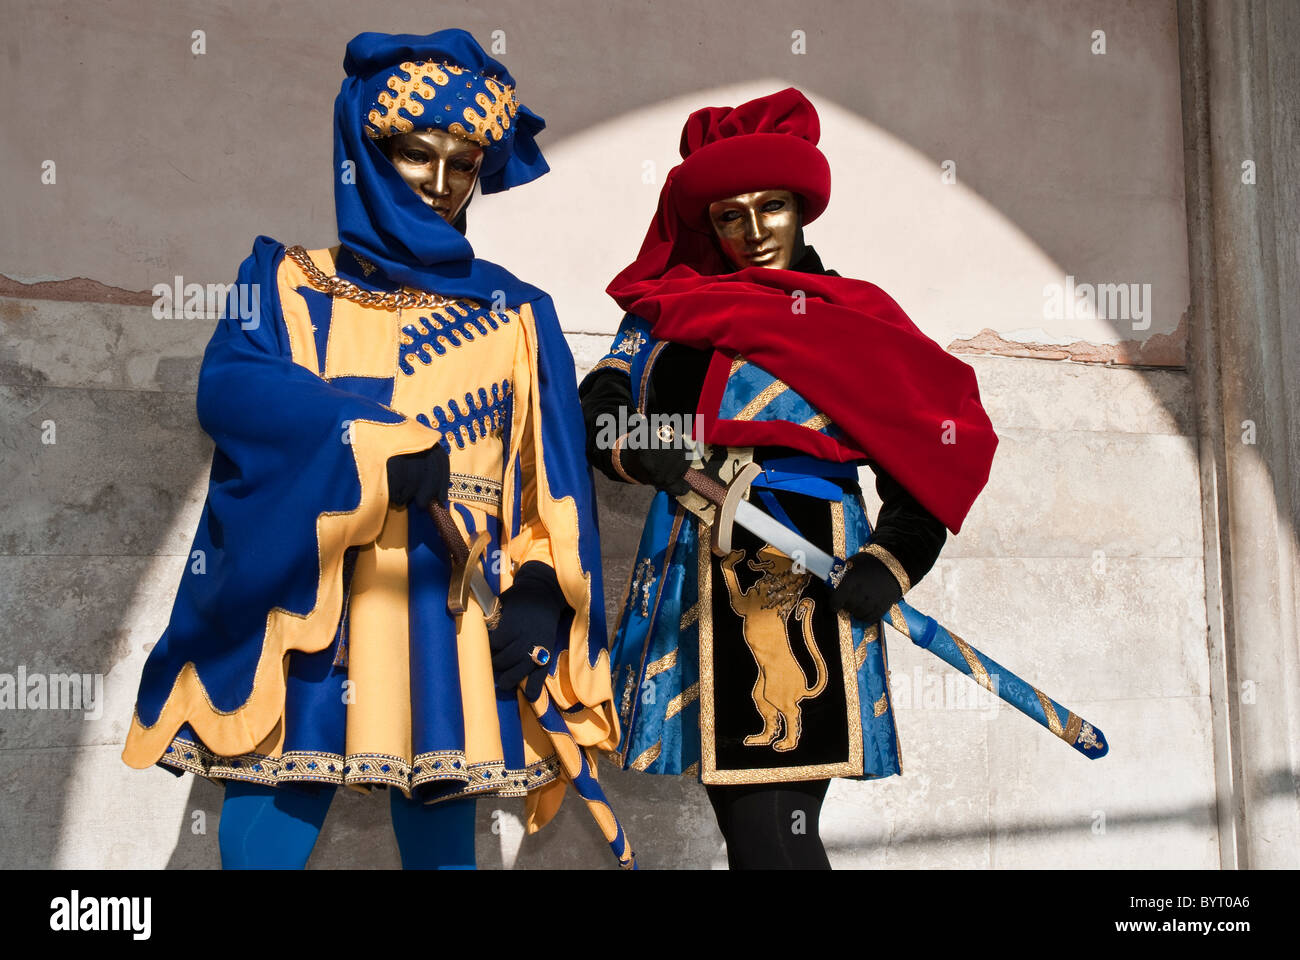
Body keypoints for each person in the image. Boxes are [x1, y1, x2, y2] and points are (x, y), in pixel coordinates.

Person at [122, 29, 619, 870]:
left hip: (451, 601)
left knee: (440, 829)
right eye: (415, 153)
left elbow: (554, 482)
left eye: (463, 163)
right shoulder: (284, 279)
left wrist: (539, 591)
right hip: (310, 581)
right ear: (364, 150)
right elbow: (235, 388)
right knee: (266, 815)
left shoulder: (521, 314)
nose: (438, 183)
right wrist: (371, 441)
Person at [579, 88, 998, 869]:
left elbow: (929, 460)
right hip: (686, 575)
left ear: (801, 208)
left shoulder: (859, 315)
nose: (752, 231)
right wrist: (647, 443)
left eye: (770, 206)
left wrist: (891, 561)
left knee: (775, 835)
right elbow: (596, 419)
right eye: (729, 215)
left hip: (807, 576)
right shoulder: (661, 316)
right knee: (754, 839)